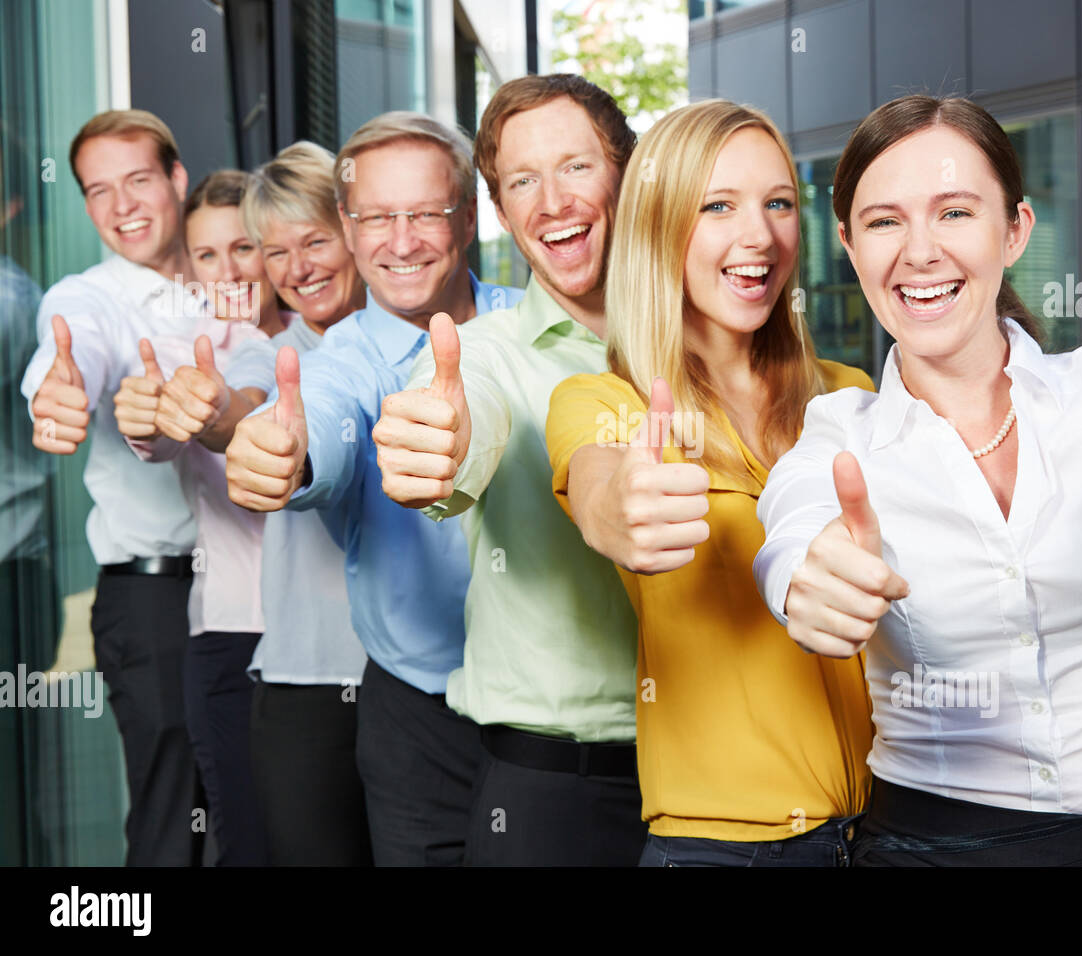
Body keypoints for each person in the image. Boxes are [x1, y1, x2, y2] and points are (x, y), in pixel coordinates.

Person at [753, 94, 1082, 867]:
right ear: (847, 245)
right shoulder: (840, 432)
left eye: (954, 213)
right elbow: (793, 526)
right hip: (923, 846)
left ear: (1014, 230)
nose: (919, 251)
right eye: (884, 222)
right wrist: (802, 578)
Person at [545, 99, 875, 867]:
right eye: (717, 206)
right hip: (720, 850)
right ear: (659, 225)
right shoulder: (605, 404)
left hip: (883, 832)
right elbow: (599, 488)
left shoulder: (850, 394)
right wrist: (620, 509)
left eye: (779, 203)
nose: (758, 235)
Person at [224, 113, 523, 865]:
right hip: (419, 718)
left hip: (550, 722)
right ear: (351, 230)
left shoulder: (535, 325)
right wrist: (283, 456)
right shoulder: (344, 355)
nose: (401, 240)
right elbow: (318, 416)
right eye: (376, 218)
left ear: (469, 218)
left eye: (425, 213)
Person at [371, 75, 646, 865]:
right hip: (551, 798)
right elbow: (464, 417)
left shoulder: (703, 345)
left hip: (712, 788)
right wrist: (440, 445)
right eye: (522, 180)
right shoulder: (480, 354)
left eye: (576, 167)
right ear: (500, 211)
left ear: (626, 174)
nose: (552, 200)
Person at [20, 109, 205, 866]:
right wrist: (54, 389)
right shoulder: (86, 297)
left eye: (137, 181)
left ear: (176, 179)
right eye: (99, 192)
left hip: (268, 591)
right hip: (155, 600)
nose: (122, 207)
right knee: (171, 825)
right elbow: (70, 351)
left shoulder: (238, 273)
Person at [113, 169, 281, 865]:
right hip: (233, 639)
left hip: (336, 649)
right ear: (186, 267)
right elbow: (158, 433)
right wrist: (147, 418)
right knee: (247, 845)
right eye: (206, 255)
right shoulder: (186, 356)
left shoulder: (327, 337)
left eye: (243, 247)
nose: (229, 270)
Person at [229, 141, 371, 865]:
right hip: (304, 683)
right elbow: (237, 409)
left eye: (314, 240)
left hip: (427, 687)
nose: (298, 269)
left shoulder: (421, 342)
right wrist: (224, 420)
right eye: (274, 252)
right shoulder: (268, 356)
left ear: (353, 229)